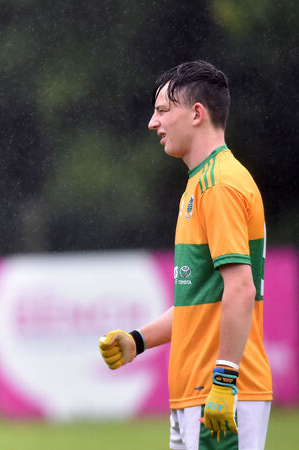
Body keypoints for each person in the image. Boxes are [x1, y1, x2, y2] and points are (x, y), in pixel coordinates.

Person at [99, 61, 271, 449]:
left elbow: (240, 290)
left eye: (162, 111)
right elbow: (201, 303)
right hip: (197, 393)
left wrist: (225, 381)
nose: (152, 123)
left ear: (197, 113)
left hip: (219, 394)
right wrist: (137, 341)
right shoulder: (200, 185)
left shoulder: (219, 185)